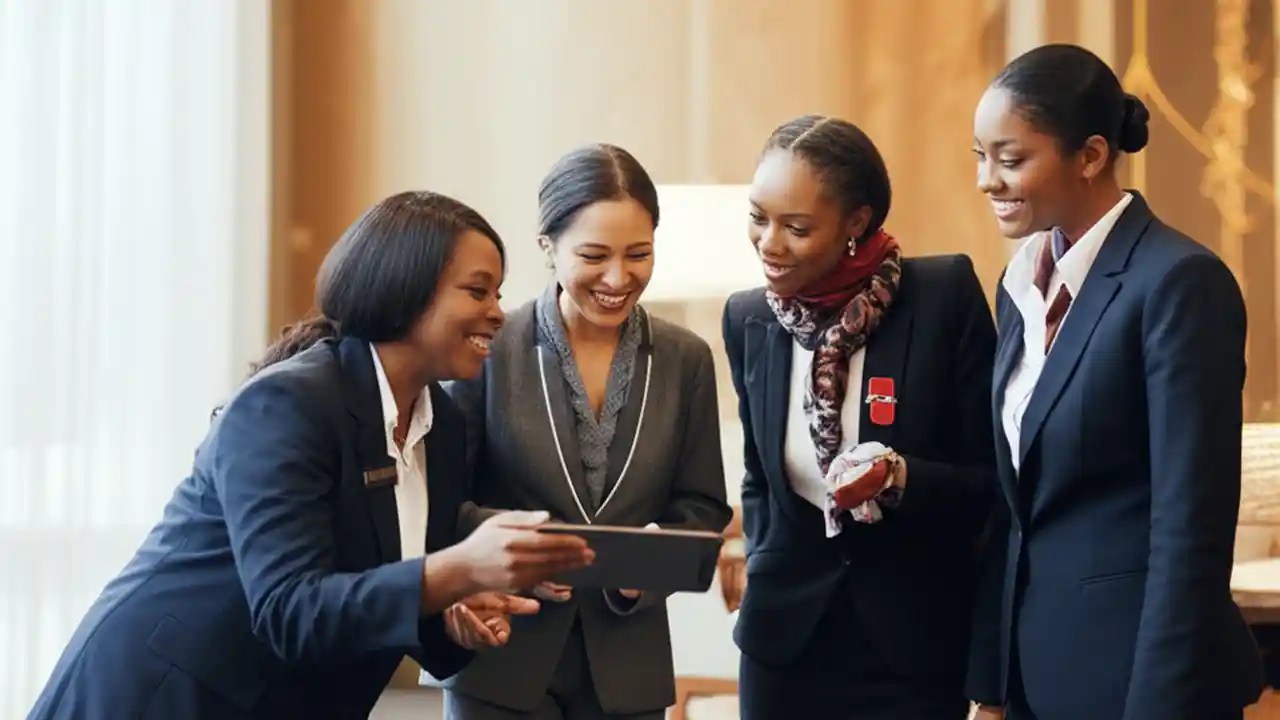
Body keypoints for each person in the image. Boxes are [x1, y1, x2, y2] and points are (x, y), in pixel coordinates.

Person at [29, 191, 595, 719]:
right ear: (406, 288)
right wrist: (460, 567)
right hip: (164, 698)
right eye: (478, 291)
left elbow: (386, 586)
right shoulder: (288, 403)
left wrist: (458, 616)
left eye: (497, 293)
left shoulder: (441, 424)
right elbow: (289, 610)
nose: (498, 312)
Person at [966, 44, 1264, 720]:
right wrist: (991, 684)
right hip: (1036, 676)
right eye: (979, 157)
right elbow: (1013, 510)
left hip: (1139, 681)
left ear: (1092, 155)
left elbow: (1190, 532)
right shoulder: (1018, 285)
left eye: (1010, 159)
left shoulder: (1178, 283)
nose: (988, 180)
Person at [439, 144, 732, 719]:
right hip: (500, 652)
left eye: (639, 254)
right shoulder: (492, 347)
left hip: (628, 668)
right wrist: (521, 557)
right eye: (594, 255)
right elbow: (444, 500)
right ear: (547, 245)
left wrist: (639, 573)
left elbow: (701, 507)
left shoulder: (685, 358)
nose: (619, 278)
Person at [722, 114, 997, 719]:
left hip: (915, 647)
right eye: (757, 217)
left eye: (795, 227)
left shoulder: (942, 296)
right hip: (785, 648)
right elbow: (759, 477)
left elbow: (992, 482)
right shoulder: (750, 320)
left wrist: (900, 477)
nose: (769, 242)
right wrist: (759, 563)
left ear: (857, 222)